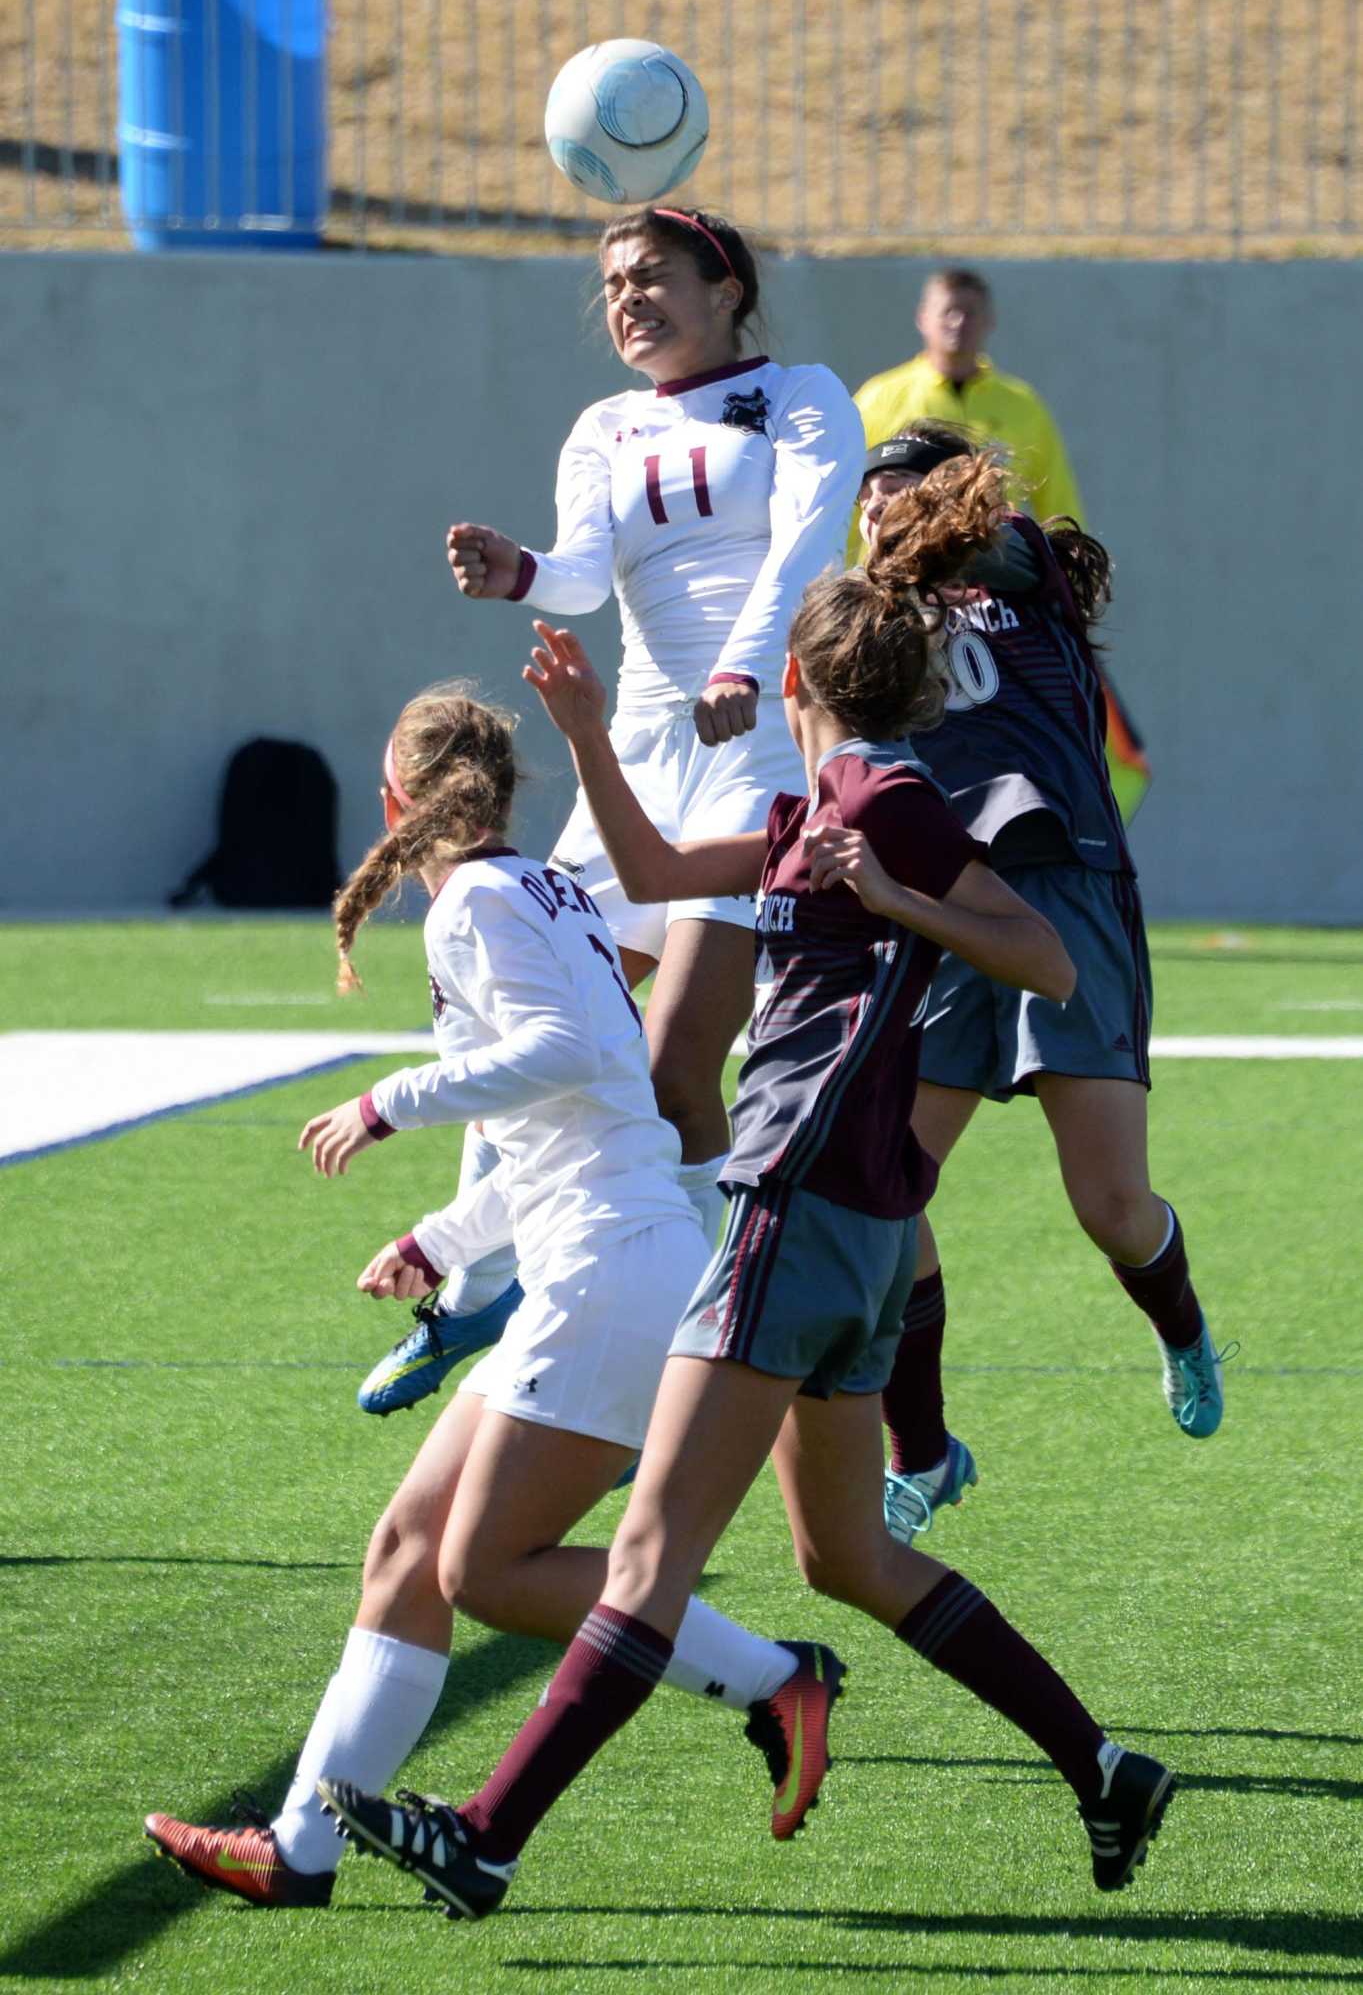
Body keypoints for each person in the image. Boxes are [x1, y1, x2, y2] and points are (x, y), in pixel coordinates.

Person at [317, 493, 1178, 1921]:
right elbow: (652, 876)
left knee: (649, 1553)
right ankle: (1101, 1766)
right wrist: (590, 729)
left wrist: (903, 904)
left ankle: (484, 1836)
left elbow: (1044, 961)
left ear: (790, 680)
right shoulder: (808, 814)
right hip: (853, 1232)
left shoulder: (884, 805)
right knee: (844, 1554)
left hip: (795, 1214)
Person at [143, 681, 847, 1910]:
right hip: (602, 1253)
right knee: (408, 1548)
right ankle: (300, 1849)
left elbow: (567, 1059)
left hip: (609, 1275)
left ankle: (780, 1676)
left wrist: (387, 1101)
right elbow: (571, 1122)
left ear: (395, 804)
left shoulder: (472, 899)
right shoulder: (546, 890)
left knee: (490, 1571)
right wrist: (440, 1233)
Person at [358, 205, 866, 1421]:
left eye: (651, 275)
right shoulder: (604, 425)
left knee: (675, 1063)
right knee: (528, 1031)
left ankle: (684, 1362)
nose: (627, 298)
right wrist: (520, 569)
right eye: (612, 282)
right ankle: (476, 1286)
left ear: (726, 284)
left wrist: (747, 666)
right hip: (632, 749)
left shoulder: (801, 393)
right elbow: (585, 570)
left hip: (754, 748)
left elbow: (807, 542)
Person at [852, 427, 1229, 1552]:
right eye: (865, 499)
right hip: (951, 898)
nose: (877, 514)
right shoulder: (866, 618)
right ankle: (921, 1448)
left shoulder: (1015, 558)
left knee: (1109, 1206)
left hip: (1065, 884)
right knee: (886, 1192)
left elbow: (984, 535)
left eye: (899, 493)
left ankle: (1183, 1325)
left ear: (952, 497)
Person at [851, 268, 1151, 822]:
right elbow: (856, 520)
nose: (958, 324)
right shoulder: (879, 398)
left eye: (970, 312)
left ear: (990, 321)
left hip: (1006, 614)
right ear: (923, 319)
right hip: (907, 615)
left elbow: (1060, 515)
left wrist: (1056, 595)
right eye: (947, 311)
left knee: (1089, 757)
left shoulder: (1022, 405)